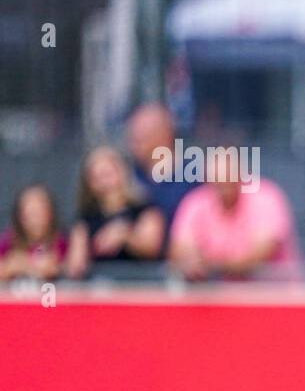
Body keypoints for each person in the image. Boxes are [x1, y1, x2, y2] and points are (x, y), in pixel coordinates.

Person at [169, 149, 304, 282]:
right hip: (222, 297)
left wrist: (211, 264)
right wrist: (192, 262)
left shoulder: (266, 197)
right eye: (216, 181)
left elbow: (260, 255)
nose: (223, 186)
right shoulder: (197, 202)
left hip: (276, 297)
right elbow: (180, 250)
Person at [65, 146, 165, 279]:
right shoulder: (86, 219)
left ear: (122, 173)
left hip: (143, 285)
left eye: (108, 174)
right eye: (97, 177)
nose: (105, 182)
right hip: (100, 288)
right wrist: (83, 254)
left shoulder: (145, 209)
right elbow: (75, 264)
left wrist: (125, 236)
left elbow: (152, 247)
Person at [126, 102, 195, 227]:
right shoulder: (127, 176)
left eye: (142, 137)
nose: (133, 144)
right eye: (132, 137)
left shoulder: (194, 177)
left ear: (166, 135)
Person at [0, 184, 66, 281]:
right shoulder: (8, 240)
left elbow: (56, 268)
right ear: (20, 216)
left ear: (50, 214)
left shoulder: (60, 241)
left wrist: (21, 263)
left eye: (39, 211)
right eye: (31, 213)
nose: (35, 220)